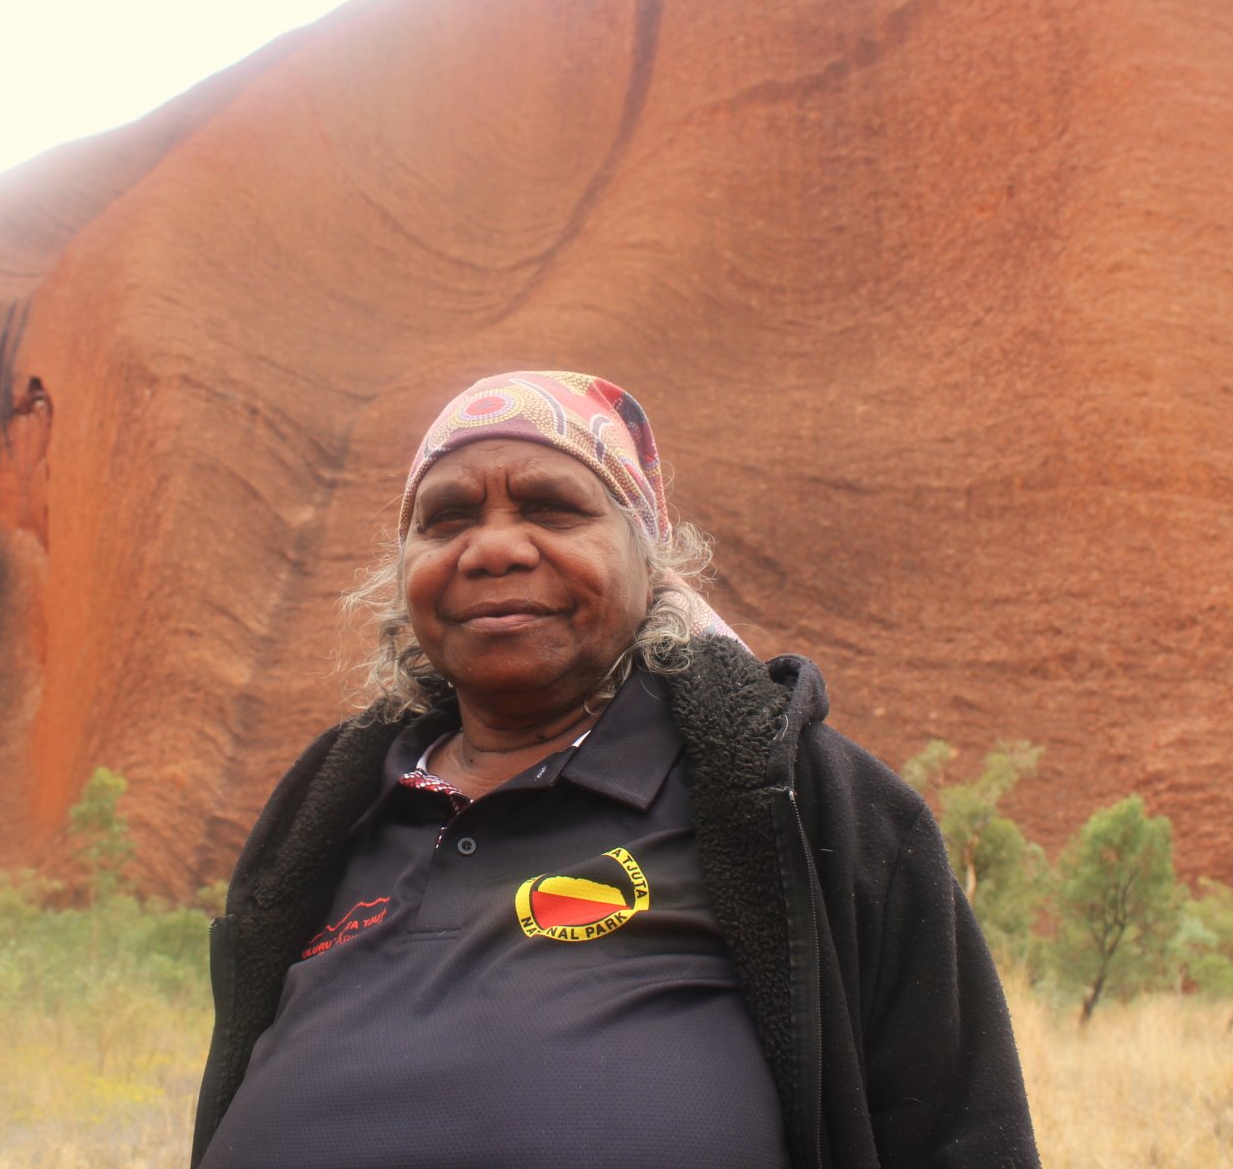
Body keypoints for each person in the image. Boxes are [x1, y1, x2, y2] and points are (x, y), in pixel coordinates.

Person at [191, 371, 1039, 1169]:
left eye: (553, 509)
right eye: (445, 518)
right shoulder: (331, 815)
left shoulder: (807, 808)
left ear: (648, 555)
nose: (492, 549)